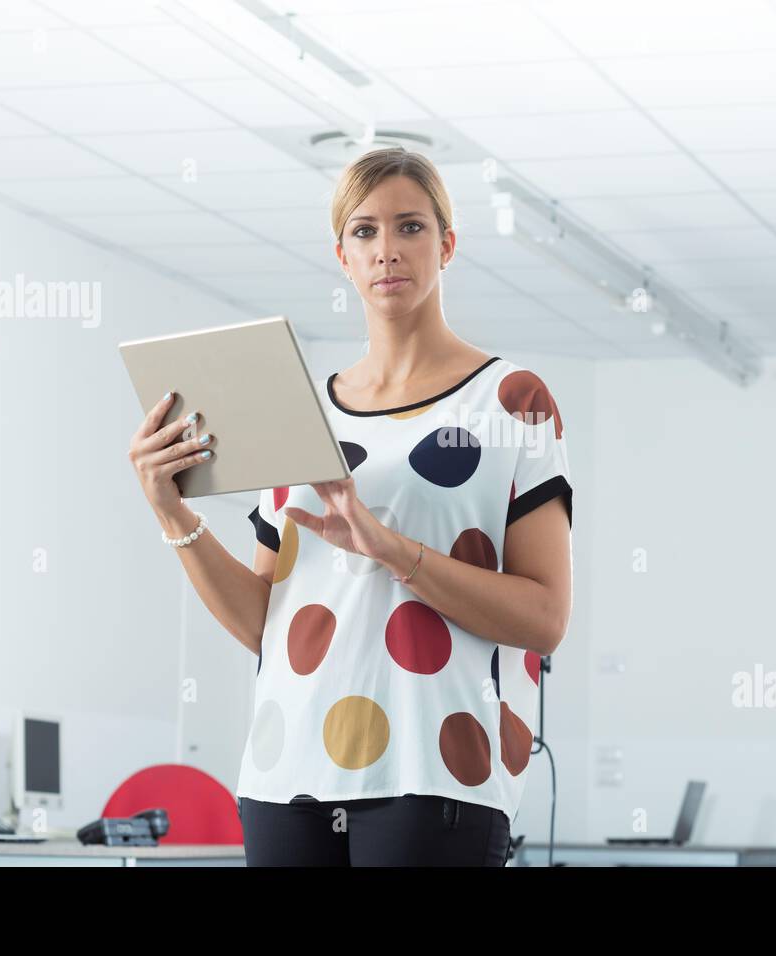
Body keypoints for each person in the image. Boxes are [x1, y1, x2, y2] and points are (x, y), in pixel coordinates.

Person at [128, 147, 573, 865]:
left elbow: (545, 619)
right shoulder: (301, 412)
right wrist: (171, 512)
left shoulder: (512, 399)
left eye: (410, 227)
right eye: (364, 231)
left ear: (447, 244)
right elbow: (265, 623)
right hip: (286, 772)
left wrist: (391, 549)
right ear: (343, 257)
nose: (386, 249)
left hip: (434, 771)